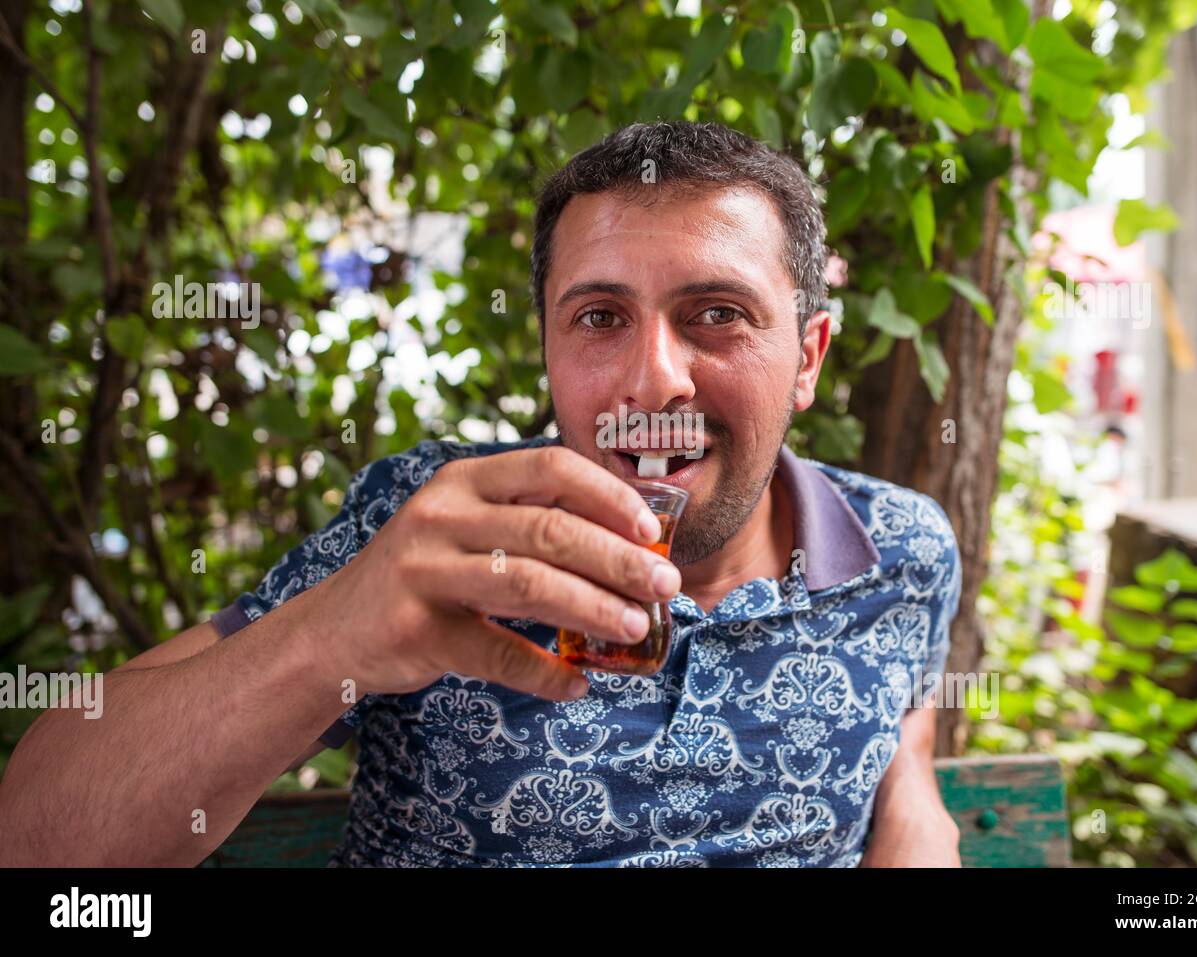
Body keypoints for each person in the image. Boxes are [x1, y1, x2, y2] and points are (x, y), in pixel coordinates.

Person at [0, 121, 963, 867]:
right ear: (547, 348)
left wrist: (912, 788)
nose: (654, 379)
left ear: (809, 355)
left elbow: (906, 694)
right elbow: (36, 841)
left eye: (717, 314)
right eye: (599, 317)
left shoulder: (904, 551)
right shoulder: (433, 522)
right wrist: (329, 636)